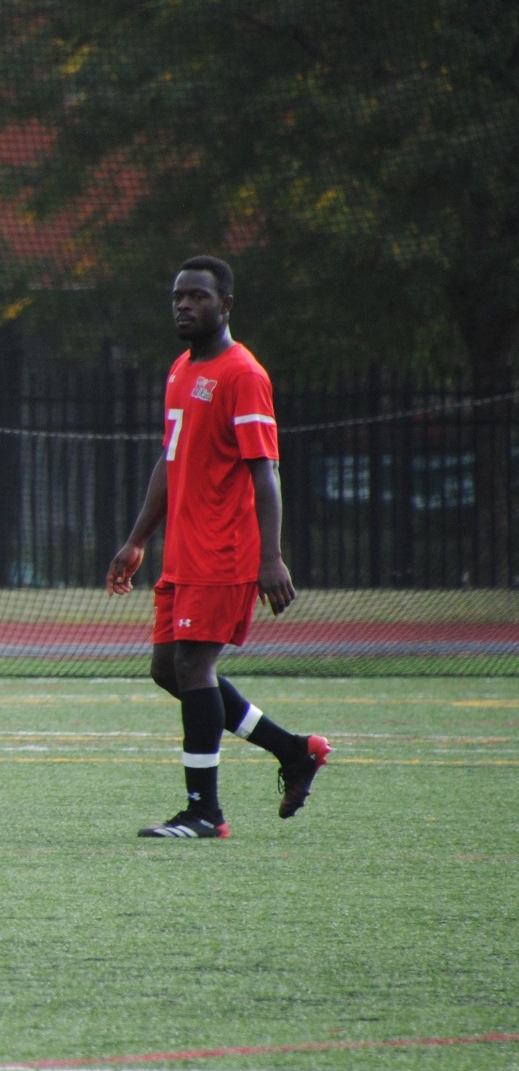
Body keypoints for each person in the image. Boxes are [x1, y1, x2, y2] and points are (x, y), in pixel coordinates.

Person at [106, 255, 330, 838]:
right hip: (183, 549)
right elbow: (170, 458)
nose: (184, 305)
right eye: (178, 296)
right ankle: (293, 750)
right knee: (168, 669)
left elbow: (266, 470)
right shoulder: (181, 369)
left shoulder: (242, 374)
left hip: (225, 549)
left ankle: (204, 810)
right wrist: (136, 540)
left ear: (225, 305)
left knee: (194, 665)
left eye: (198, 296)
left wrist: (270, 556)